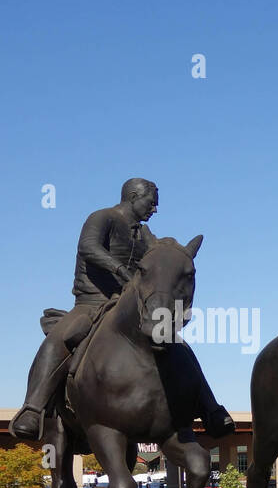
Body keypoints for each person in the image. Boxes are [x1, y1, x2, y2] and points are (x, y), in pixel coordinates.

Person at [12, 178, 233, 441]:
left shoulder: (145, 237)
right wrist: (121, 270)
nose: (155, 209)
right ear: (132, 196)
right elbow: (88, 248)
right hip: (92, 301)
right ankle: (33, 407)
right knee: (60, 336)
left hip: (129, 304)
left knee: (177, 343)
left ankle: (211, 409)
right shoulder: (102, 218)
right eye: (151, 203)